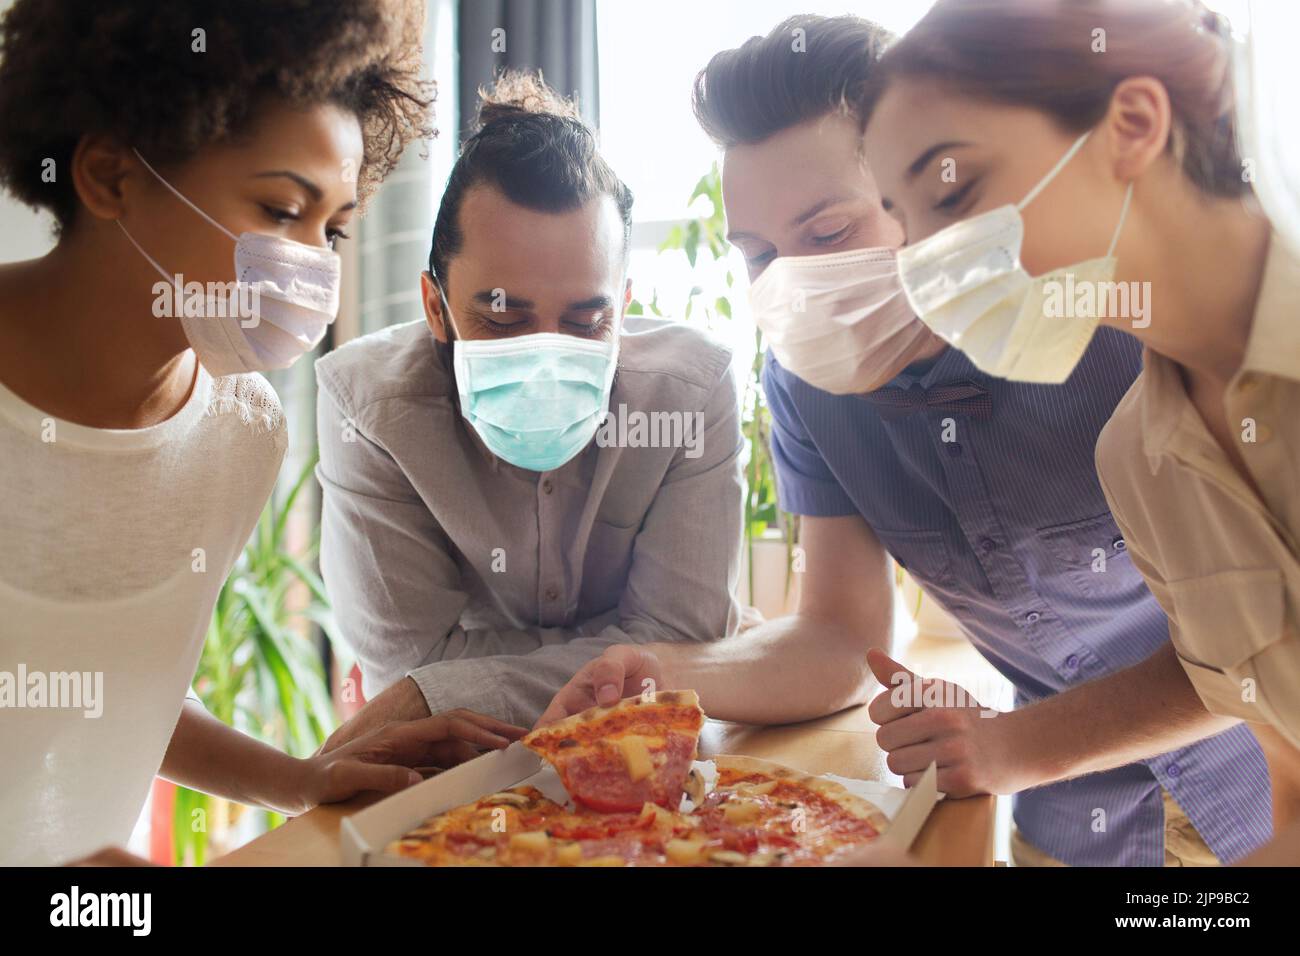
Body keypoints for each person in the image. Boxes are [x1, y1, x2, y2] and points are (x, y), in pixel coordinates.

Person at [539, 13, 1277, 866]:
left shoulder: (1120, 324)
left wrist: (1010, 747)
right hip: (1076, 835)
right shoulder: (809, 392)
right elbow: (839, 639)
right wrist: (665, 675)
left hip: (1264, 793)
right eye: (756, 253)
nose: (791, 283)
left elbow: (1263, 646)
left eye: (828, 234)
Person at [0, 0, 523, 867]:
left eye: (335, 227)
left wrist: (299, 781)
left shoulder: (239, 434)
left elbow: (114, 689)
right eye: (282, 210)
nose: (315, 266)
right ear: (110, 176)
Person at [859, 0, 1300, 864]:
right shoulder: (1138, 460)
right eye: (905, 226)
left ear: (1132, 123)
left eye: (953, 192)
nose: (928, 268)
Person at [313, 72, 744, 749]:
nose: (547, 359)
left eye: (584, 322)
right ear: (436, 308)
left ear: (621, 310)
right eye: (503, 318)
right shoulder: (369, 411)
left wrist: (450, 685)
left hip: (645, 757)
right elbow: (412, 664)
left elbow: (683, 641)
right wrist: (622, 652)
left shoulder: (691, 394)